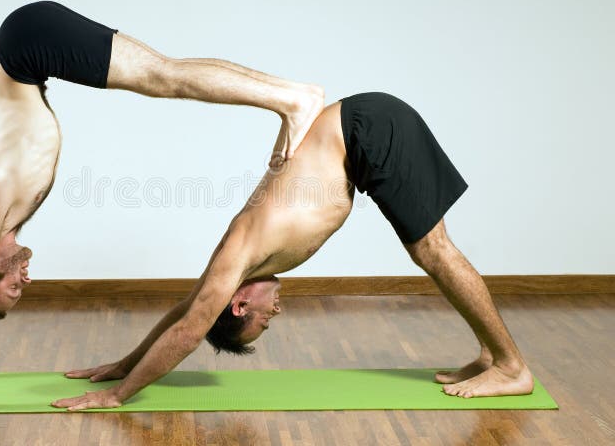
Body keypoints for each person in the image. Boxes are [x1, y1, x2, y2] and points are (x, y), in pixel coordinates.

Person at [0, 1, 323, 416]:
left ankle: (293, 99)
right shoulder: (3, 223)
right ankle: (288, 101)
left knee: (163, 76)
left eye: (13, 286)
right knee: (163, 72)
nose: (26, 280)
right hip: (30, 52)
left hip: (27, 46)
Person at [52, 92, 534, 411]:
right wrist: (124, 363)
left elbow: (189, 330)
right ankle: (494, 355)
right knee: (429, 250)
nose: (277, 311)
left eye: (264, 319)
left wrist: (119, 394)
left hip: (368, 131)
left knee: (432, 250)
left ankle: (512, 368)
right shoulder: (231, 270)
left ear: (239, 303)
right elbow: (187, 312)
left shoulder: (234, 262)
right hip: (363, 132)